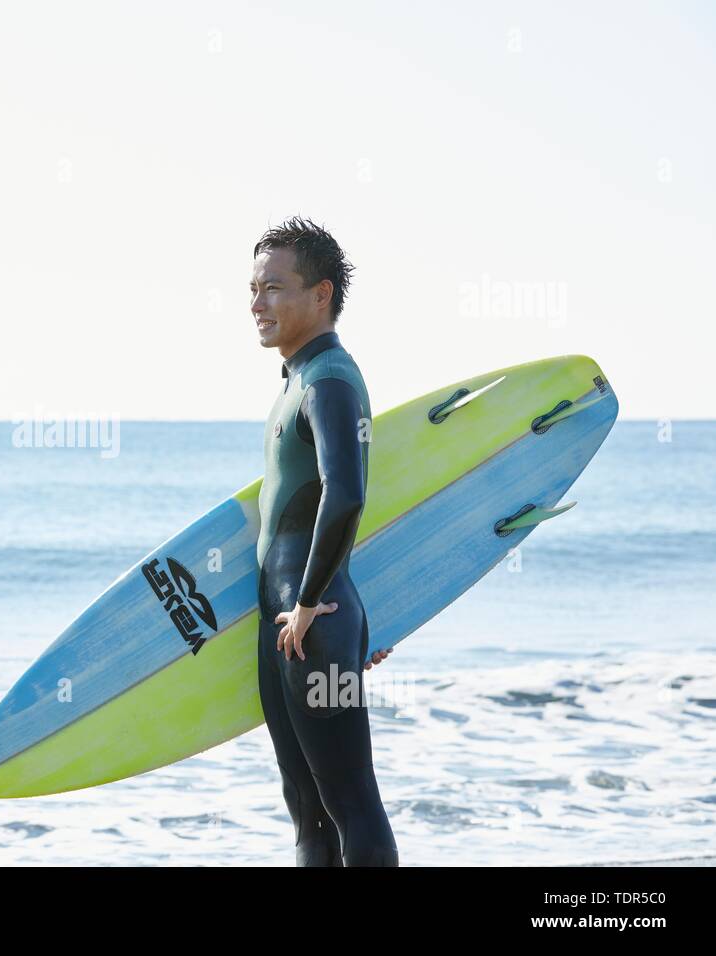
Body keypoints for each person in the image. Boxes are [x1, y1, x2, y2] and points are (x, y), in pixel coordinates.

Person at [251, 217, 398, 867]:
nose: (258, 304)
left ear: (321, 295)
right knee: (308, 812)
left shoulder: (330, 380)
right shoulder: (297, 379)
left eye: (274, 287)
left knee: (352, 805)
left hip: (314, 620)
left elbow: (347, 494)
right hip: (295, 623)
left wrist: (313, 603)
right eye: (253, 289)